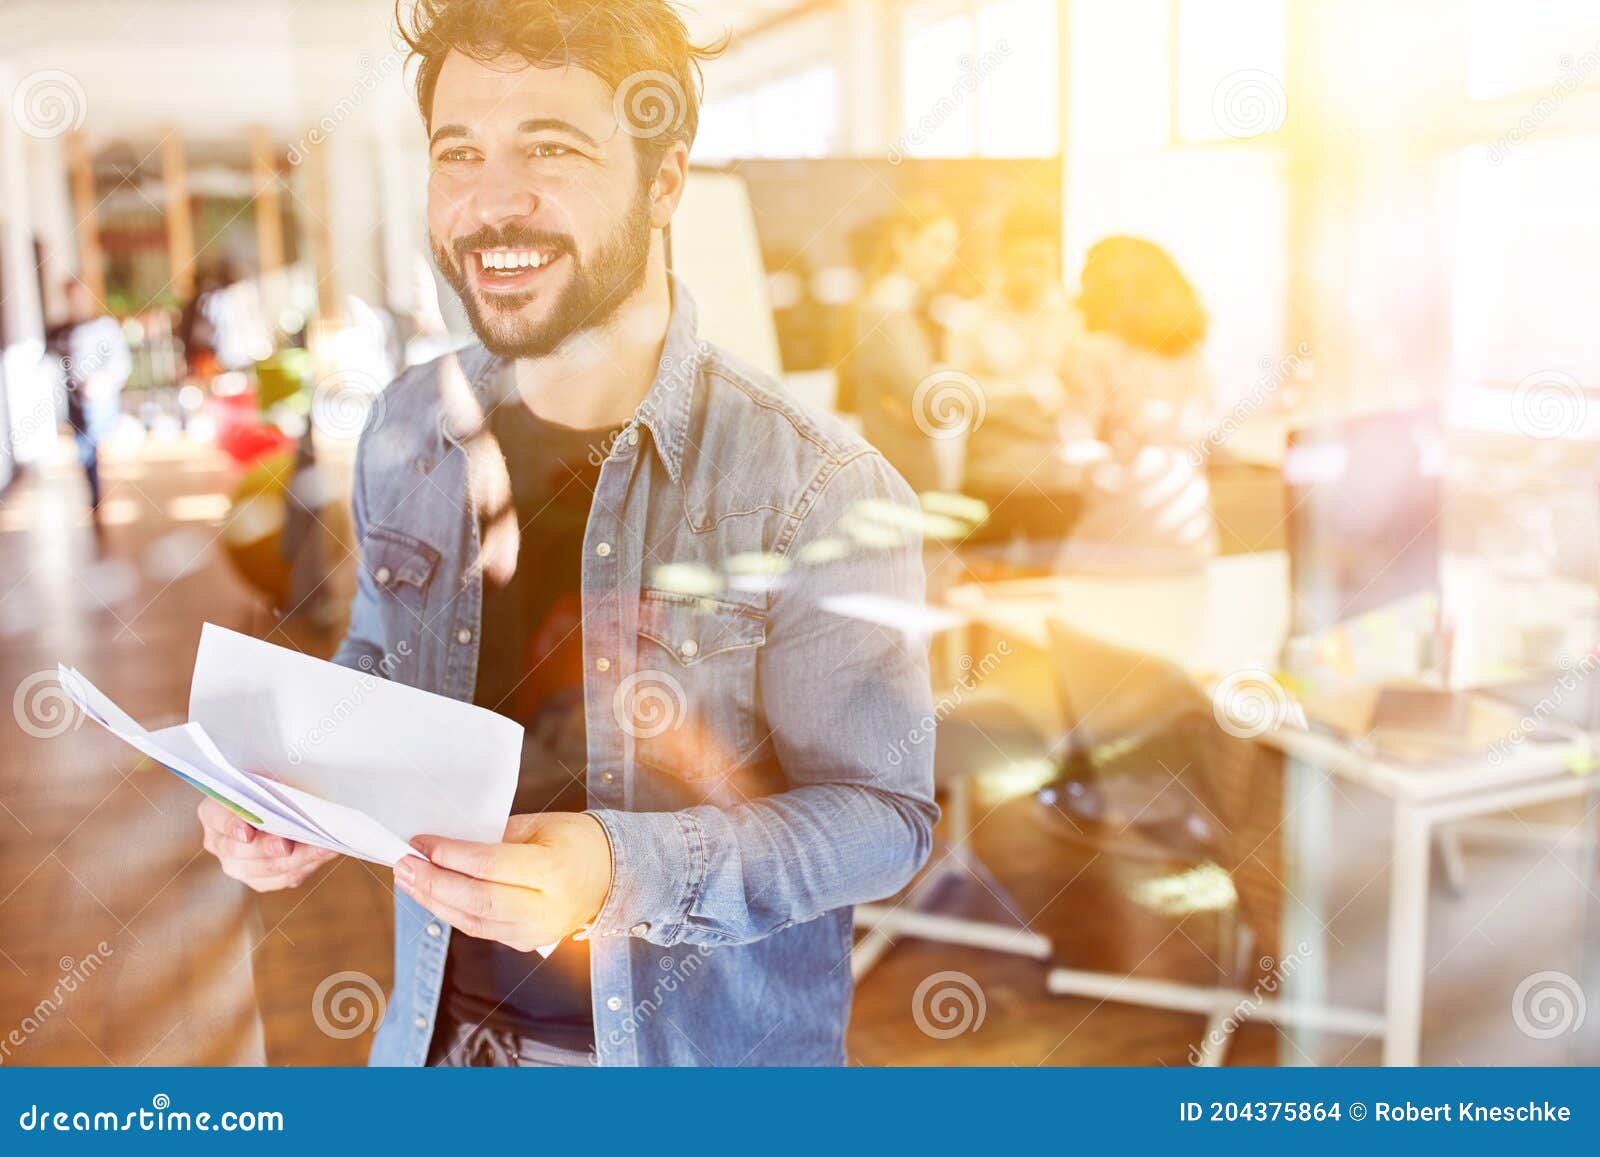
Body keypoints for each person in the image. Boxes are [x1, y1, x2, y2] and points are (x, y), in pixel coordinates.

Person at [195, 0, 936, 1069]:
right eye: (460, 152)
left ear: (665, 179)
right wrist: (295, 787)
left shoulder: (813, 482)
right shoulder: (411, 422)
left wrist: (618, 866)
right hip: (439, 1042)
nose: (492, 203)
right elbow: (379, 662)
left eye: (551, 147)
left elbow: (883, 818)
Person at [1057, 236, 1218, 574]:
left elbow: (1071, 453)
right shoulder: (1192, 358)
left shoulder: (1093, 353)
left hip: (1116, 542)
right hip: (1189, 536)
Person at [948, 204, 1084, 549]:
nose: (1030, 273)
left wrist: (1001, 402)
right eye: (1021, 261)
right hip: (989, 481)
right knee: (978, 587)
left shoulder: (1071, 320)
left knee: (1050, 591)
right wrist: (1029, 394)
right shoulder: (970, 319)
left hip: (1056, 484)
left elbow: (1079, 399)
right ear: (1003, 261)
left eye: (1041, 263)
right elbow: (959, 399)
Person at [839, 198, 960, 495]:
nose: (946, 261)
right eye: (936, 245)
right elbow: (931, 406)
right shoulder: (885, 312)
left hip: (903, 480)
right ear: (902, 242)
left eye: (950, 249)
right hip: (904, 482)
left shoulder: (900, 310)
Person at [48, 278, 130, 520]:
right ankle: (94, 498)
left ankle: (100, 496)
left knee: (94, 446)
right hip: (75, 401)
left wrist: (102, 382)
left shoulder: (104, 326)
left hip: (100, 400)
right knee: (84, 450)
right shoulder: (62, 331)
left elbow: (120, 364)